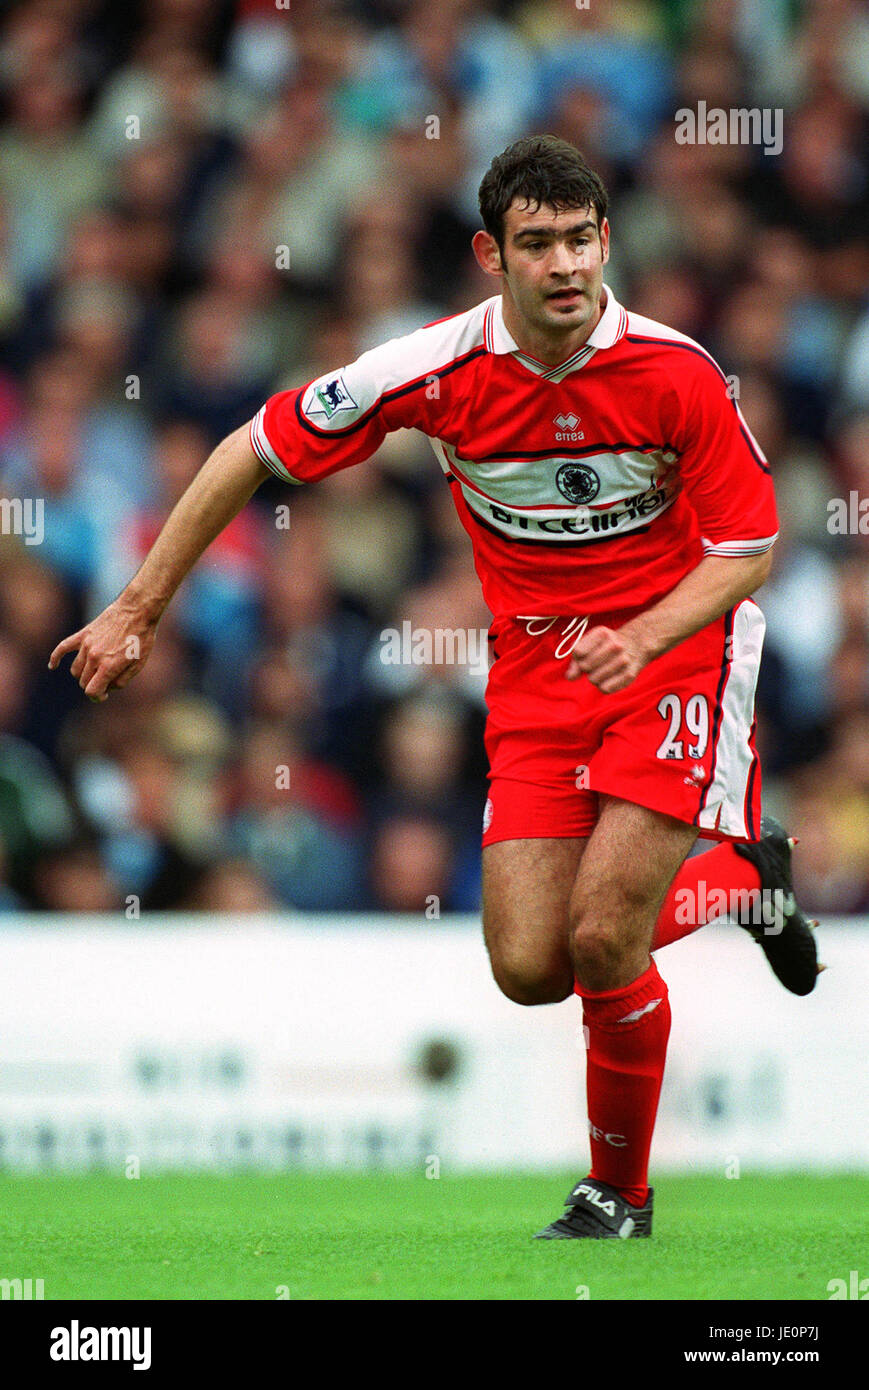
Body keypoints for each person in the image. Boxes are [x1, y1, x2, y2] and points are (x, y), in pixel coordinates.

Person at [50, 135, 821, 1240]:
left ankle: (618, 1195)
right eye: (535, 243)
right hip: (533, 684)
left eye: (578, 240)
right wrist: (137, 608)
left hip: (673, 657)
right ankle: (743, 880)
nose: (562, 264)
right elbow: (246, 449)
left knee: (605, 937)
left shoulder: (674, 371)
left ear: (607, 241)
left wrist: (642, 637)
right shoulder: (431, 371)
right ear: (489, 255)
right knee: (526, 967)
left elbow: (747, 545)